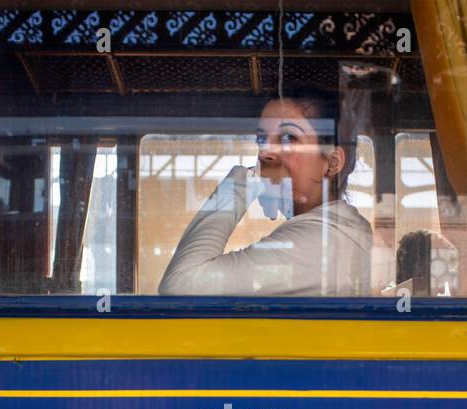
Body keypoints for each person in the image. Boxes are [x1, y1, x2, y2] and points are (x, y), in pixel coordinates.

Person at [158, 88, 373, 297]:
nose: (265, 153)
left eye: (288, 138)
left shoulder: (320, 239)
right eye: (261, 139)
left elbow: (180, 283)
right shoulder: (339, 228)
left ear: (332, 163)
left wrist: (244, 181)